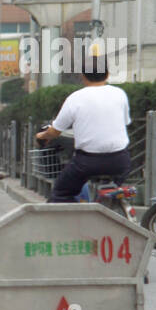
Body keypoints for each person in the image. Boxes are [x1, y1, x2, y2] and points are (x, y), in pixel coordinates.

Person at [35, 46, 131, 202]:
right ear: (107, 74)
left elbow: (54, 132)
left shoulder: (76, 98)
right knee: (115, 188)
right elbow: (125, 122)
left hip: (87, 162)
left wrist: (41, 135)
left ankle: (77, 220)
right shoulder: (120, 94)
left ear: (83, 76)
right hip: (120, 161)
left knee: (61, 192)